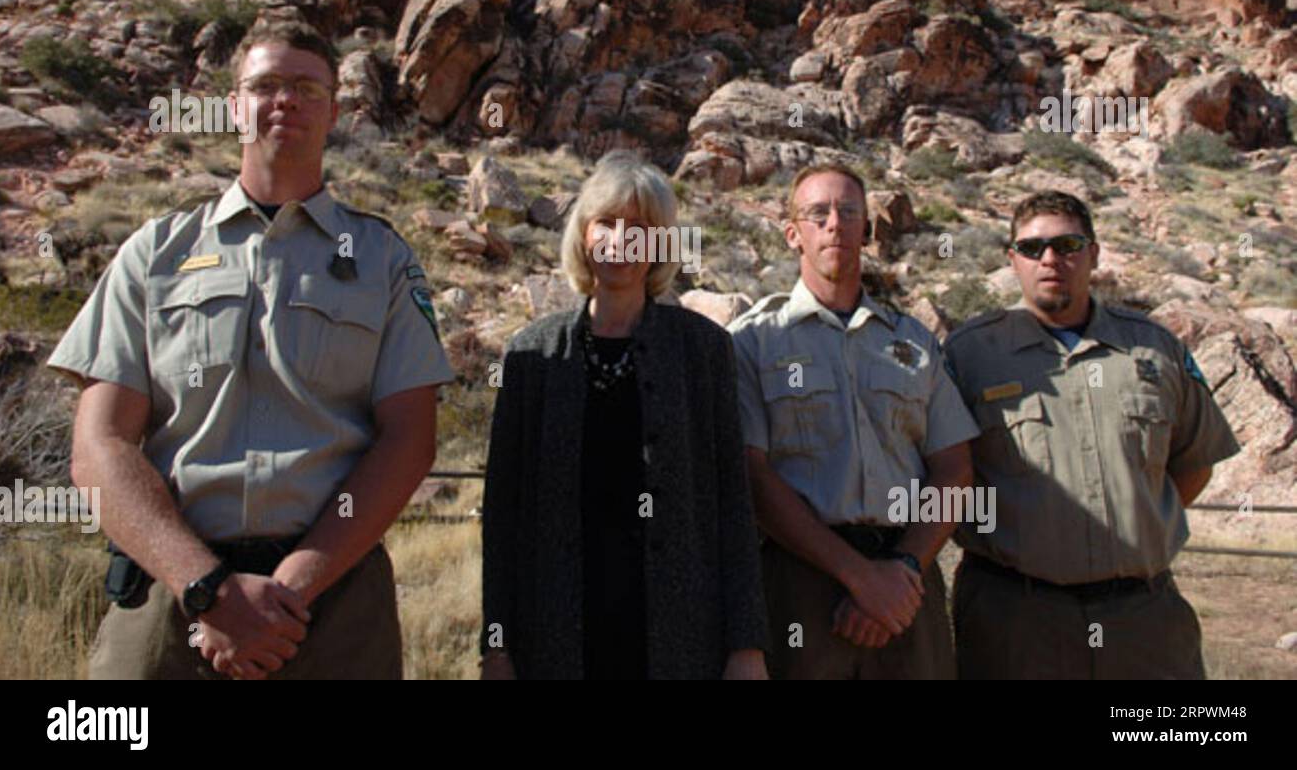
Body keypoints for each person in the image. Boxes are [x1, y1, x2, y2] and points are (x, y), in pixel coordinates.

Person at [48, 23, 454, 679]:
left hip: (333, 601)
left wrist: (291, 588)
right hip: (171, 593)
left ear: (336, 111)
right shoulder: (156, 253)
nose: (284, 101)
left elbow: (408, 439)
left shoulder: (382, 259)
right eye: (263, 86)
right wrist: (207, 587)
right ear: (233, 105)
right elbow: (100, 447)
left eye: (305, 87)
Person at [480, 151, 768, 679]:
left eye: (638, 228)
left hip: (681, 640)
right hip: (556, 638)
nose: (619, 241)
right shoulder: (533, 355)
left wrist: (746, 646)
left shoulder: (703, 350)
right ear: (583, 236)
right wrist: (496, 647)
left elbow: (732, 501)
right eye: (605, 224)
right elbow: (502, 514)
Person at [943, 190, 1240, 679]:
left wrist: (1127, 528)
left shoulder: (1154, 348)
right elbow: (946, 473)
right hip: (1016, 620)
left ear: (1095, 253)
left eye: (1068, 244)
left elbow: (1193, 465)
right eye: (1033, 248)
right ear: (1012, 260)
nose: (1051, 259)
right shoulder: (969, 355)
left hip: (1142, 623)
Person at [728, 163, 978, 679]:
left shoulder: (913, 342)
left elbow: (954, 470)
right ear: (793, 233)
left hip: (911, 585)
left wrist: (904, 568)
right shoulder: (753, 342)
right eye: (817, 213)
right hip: (803, 585)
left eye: (848, 212)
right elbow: (752, 476)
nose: (834, 224)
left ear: (867, 228)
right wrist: (860, 577)